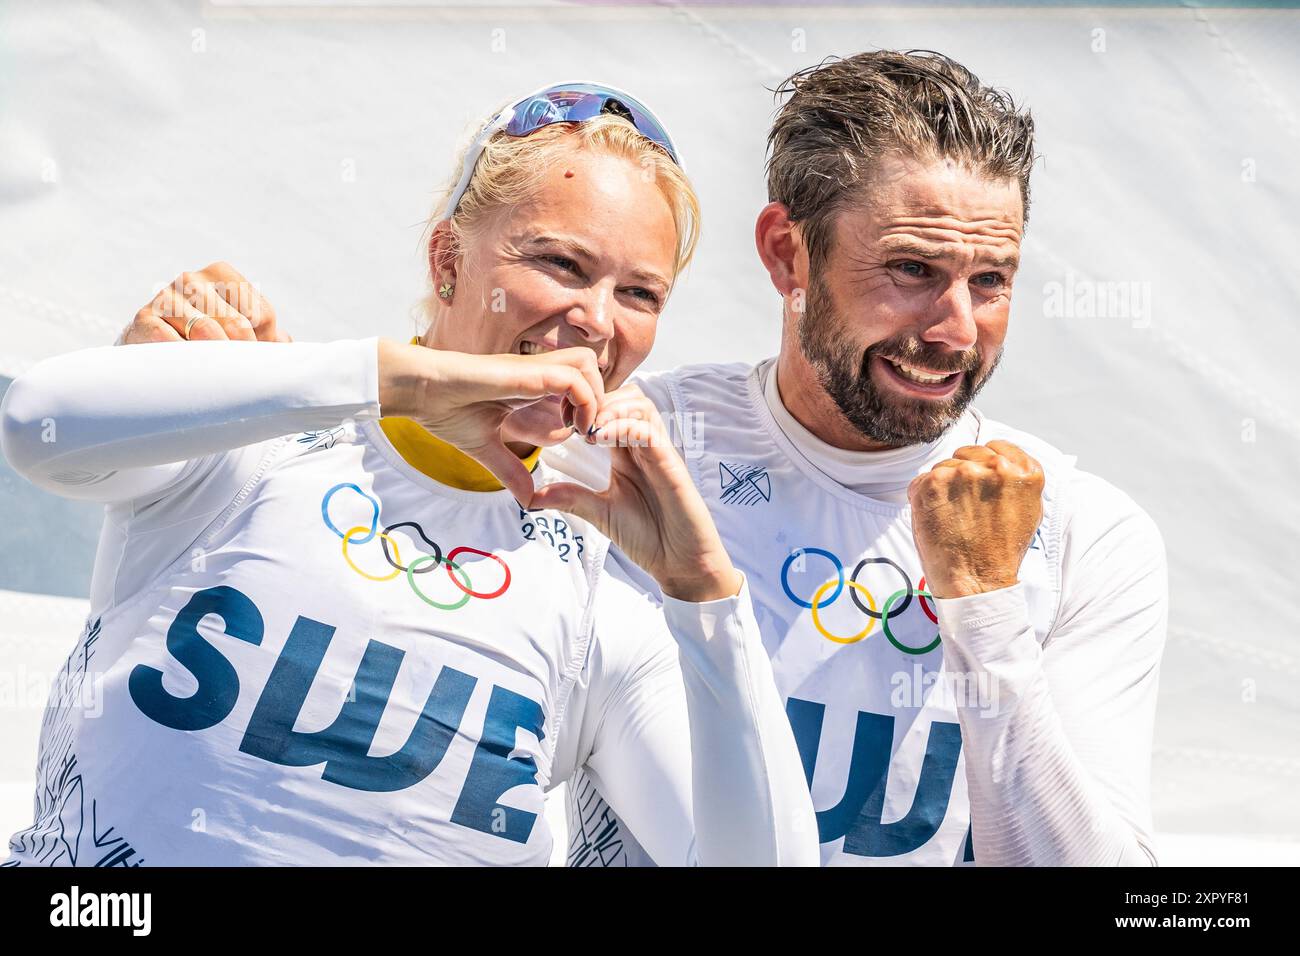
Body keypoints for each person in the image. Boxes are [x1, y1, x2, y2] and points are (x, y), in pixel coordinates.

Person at [116, 52, 1170, 868]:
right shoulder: (619, 447)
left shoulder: (1084, 530)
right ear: (785, 254)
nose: (952, 325)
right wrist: (235, 387)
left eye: (992, 280)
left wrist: (987, 613)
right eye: (909, 269)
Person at [0, 83, 819, 867]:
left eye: (639, 292)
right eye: (561, 264)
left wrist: (706, 592)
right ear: (447, 261)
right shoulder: (257, 441)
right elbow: (37, 424)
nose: (597, 320)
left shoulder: (601, 601)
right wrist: (393, 385)